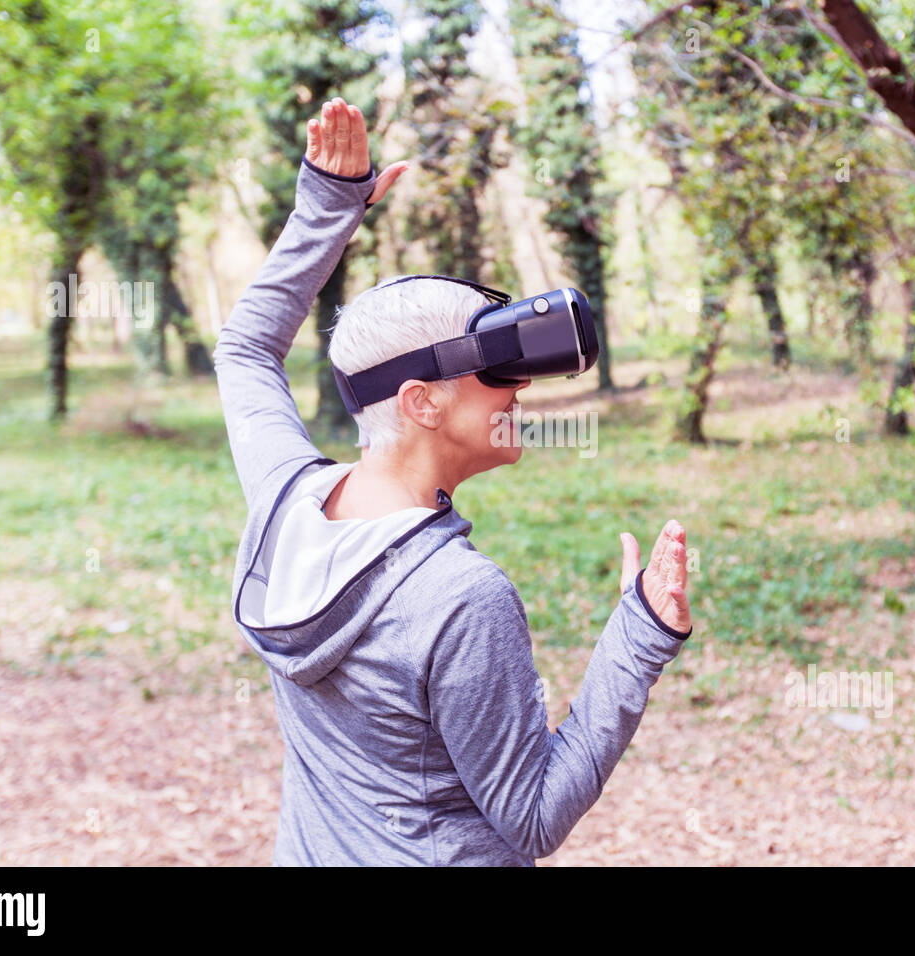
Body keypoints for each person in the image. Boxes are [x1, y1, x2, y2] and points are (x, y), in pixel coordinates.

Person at [213, 96, 693, 866]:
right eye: (497, 371)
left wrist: (327, 206)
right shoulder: (460, 597)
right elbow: (533, 818)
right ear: (421, 401)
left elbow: (244, 351)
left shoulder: (284, 505)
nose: (521, 391)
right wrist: (639, 637)